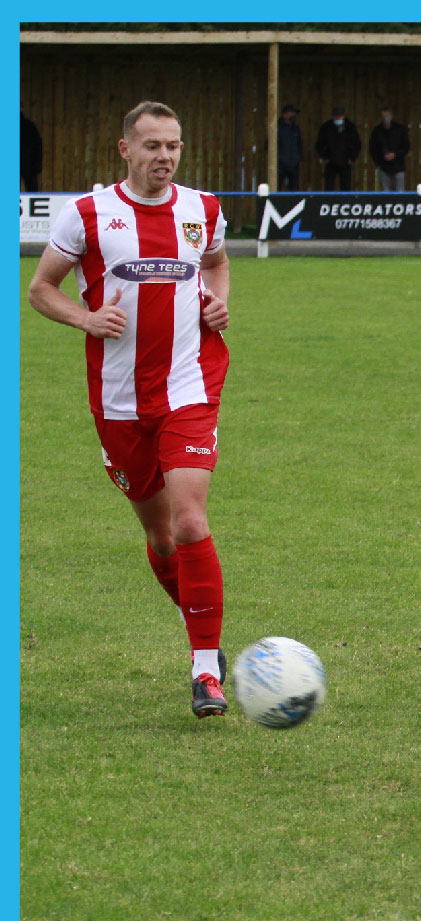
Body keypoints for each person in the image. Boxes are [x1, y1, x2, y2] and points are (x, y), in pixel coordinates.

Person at [26, 100, 233, 720]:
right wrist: (85, 318)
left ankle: (205, 668)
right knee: (161, 537)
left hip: (189, 385)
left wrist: (217, 302)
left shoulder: (203, 209)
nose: (165, 157)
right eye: (152, 146)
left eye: (173, 145)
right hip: (118, 400)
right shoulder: (88, 214)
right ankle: (200, 623)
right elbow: (40, 290)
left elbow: (216, 264)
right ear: (125, 150)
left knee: (190, 521)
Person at [315, 106, 361, 191]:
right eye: (336, 116)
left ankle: (345, 199)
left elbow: (357, 144)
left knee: (346, 186)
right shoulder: (326, 127)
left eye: (340, 116)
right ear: (333, 116)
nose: (338, 118)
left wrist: (352, 158)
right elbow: (319, 144)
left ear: (344, 116)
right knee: (329, 185)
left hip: (346, 161)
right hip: (331, 161)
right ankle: (328, 199)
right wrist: (325, 157)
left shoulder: (350, 127)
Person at [368, 107, 411, 191]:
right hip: (383, 166)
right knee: (385, 192)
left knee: (400, 192)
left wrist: (395, 154)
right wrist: (378, 162)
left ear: (391, 116)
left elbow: (406, 146)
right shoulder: (377, 131)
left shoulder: (400, 129)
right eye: (383, 116)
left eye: (387, 116)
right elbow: (372, 148)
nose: (385, 118)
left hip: (398, 166)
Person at [277, 103, 302, 191]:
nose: (293, 115)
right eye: (291, 113)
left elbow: (299, 144)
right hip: (280, 164)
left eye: (294, 113)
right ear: (284, 114)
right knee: (277, 188)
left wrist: (297, 157)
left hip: (293, 164)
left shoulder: (295, 128)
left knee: (294, 190)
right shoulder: (277, 128)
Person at [21, 107, 43, 192]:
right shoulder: (30, 126)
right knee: (32, 191)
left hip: (29, 164)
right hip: (29, 164)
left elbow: (38, 146)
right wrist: (37, 164)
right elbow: (38, 146)